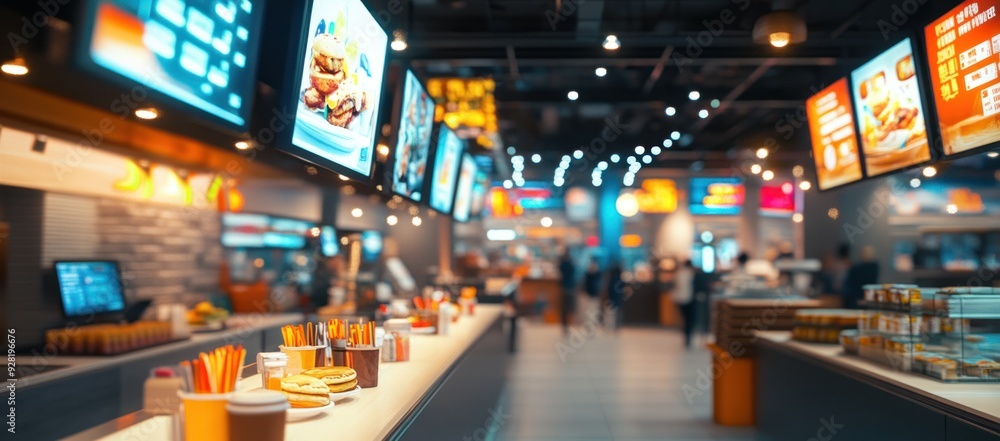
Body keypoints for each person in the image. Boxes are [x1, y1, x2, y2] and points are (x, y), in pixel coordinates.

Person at [674, 260, 696, 348]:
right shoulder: (691, 274)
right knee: (690, 320)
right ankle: (688, 336)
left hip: (679, 299)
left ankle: (686, 336)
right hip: (689, 299)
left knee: (685, 319)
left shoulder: (679, 274)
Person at [558, 253, 577, 335]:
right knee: (570, 308)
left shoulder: (562, 265)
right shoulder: (570, 265)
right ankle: (569, 325)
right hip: (570, 289)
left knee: (564, 308)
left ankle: (565, 325)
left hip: (563, 289)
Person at [582, 257, 603, 323]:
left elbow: (600, 284)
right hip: (589, 294)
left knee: (595, 310)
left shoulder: (598, 274)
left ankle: (593, 323)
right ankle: (588, 323)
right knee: (589, 310)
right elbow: (585, 284)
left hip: (595, 295)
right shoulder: (588, 274)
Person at [606, 264, 625, 331]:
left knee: (611, 313)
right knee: (618, 312)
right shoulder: (620, 280)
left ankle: (609, 326)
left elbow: (609, 289)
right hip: (618, 298)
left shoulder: (611, 279)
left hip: (612, 298)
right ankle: (617, 326)